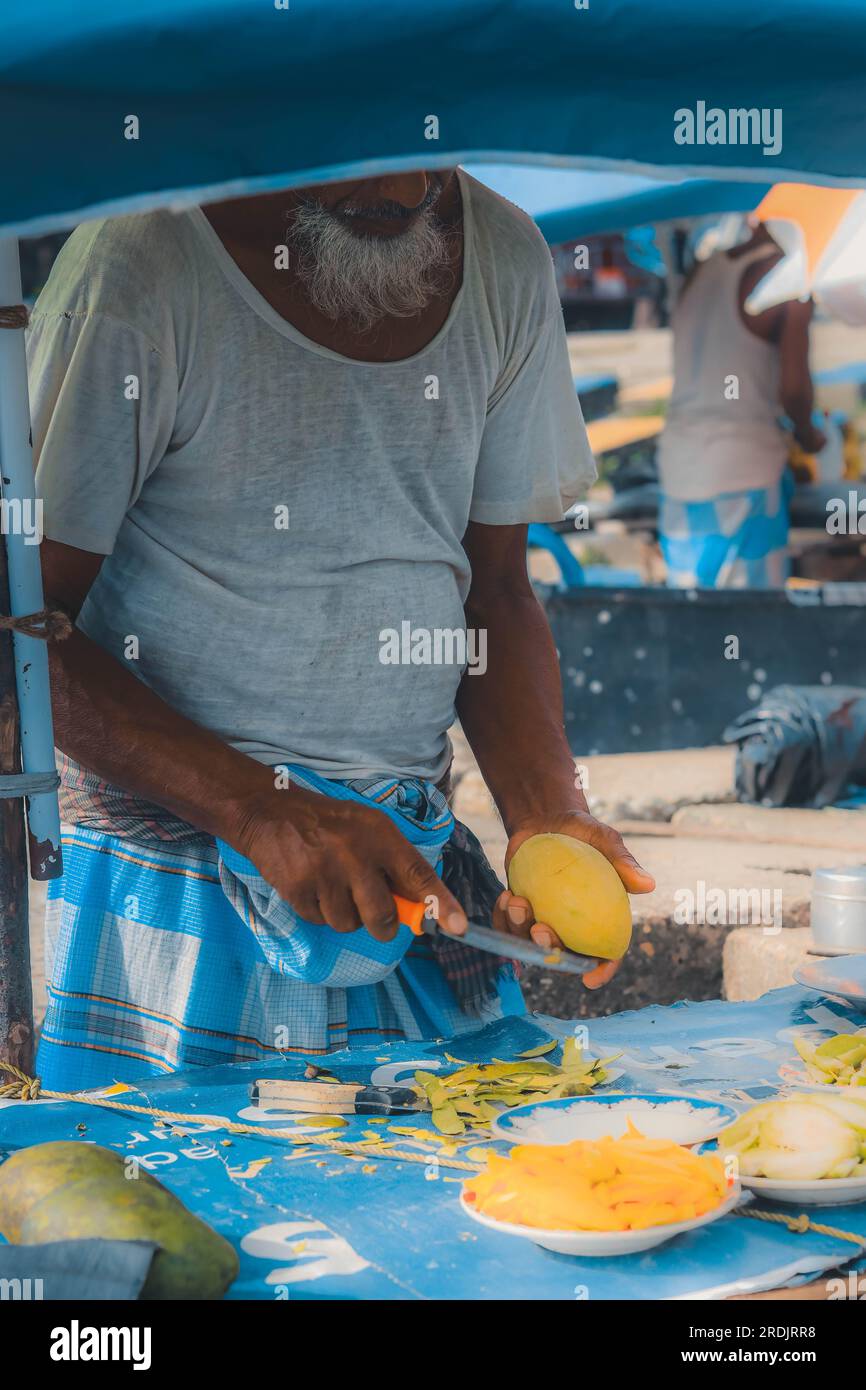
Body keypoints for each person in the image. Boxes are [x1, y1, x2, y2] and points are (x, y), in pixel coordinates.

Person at [29, 168, 654, 1090]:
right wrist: (258, 809)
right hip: (162, 894)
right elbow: (22, 630)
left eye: (422, 159)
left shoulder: (507, 260)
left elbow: (497, 596)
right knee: (189, 1208)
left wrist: (545, 813)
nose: (395, 185)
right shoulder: (142, 263)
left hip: (403, 884)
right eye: (360, 153)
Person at [658, 220, 825, 588]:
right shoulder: (786, 279)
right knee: (749, 625)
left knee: (692, 620)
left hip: (679, 464)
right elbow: (795, 391)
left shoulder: (705, 268)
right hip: (743, 471)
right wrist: (810, 436)